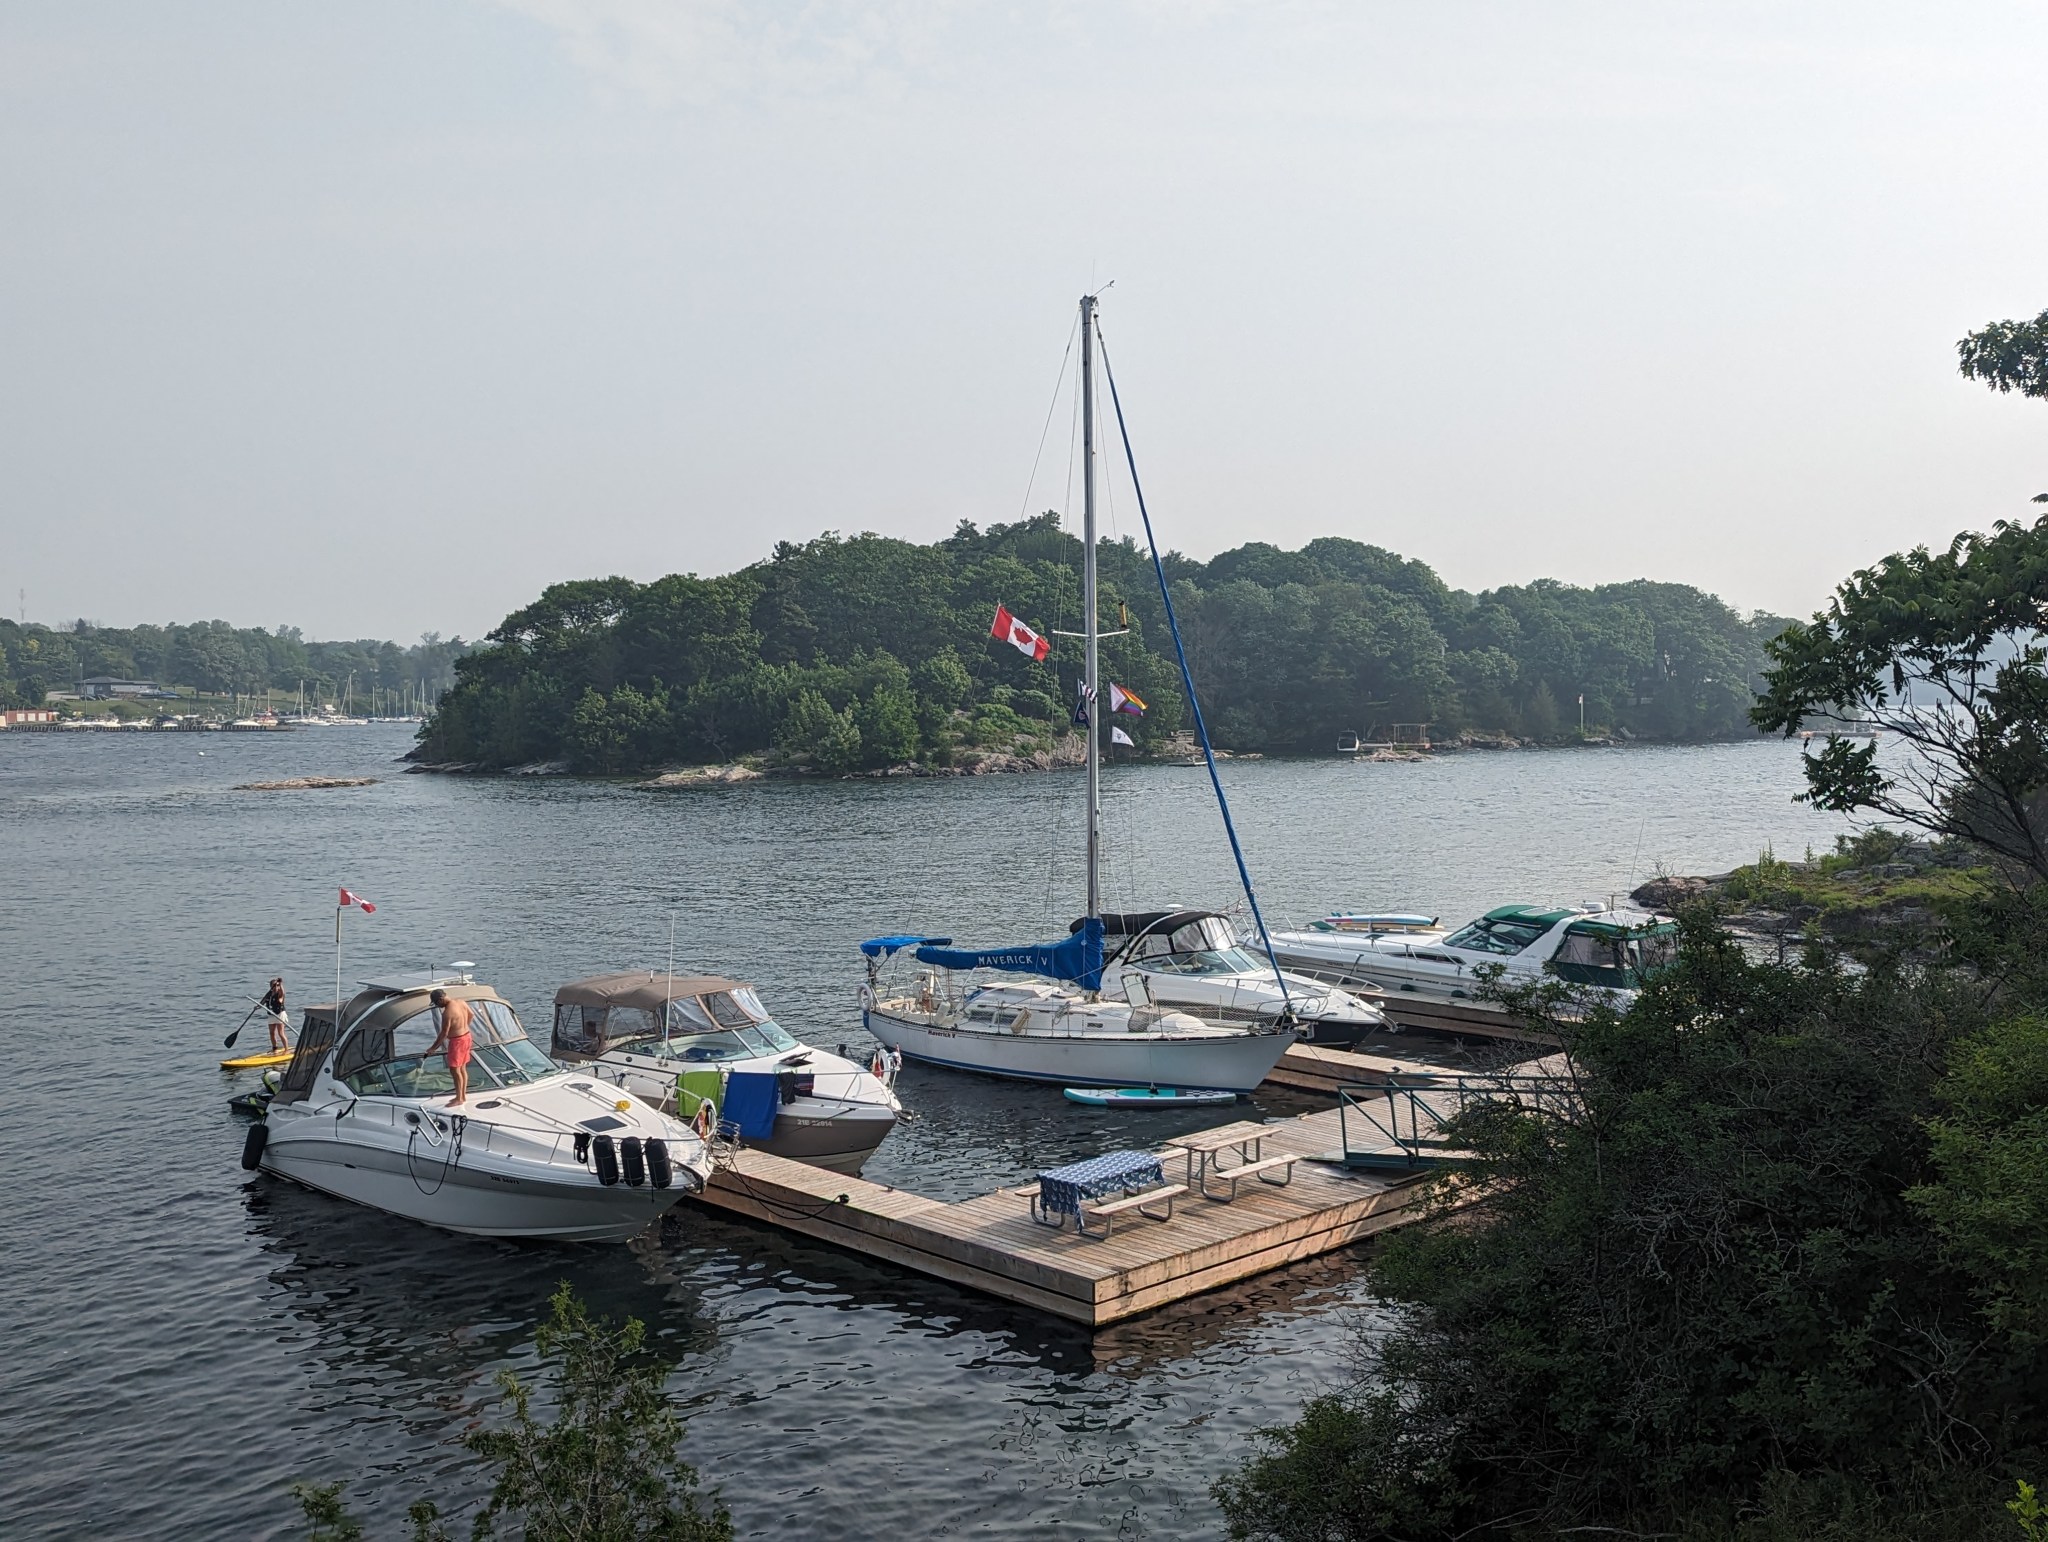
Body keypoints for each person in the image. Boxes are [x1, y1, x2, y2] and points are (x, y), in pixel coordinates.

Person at [426, 988, 474, 1106]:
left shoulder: (447, 1013)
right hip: (467, 1036)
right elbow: (471, 1014)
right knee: (462, 1068)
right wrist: (463, 1026)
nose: (438, 1006)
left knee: (454, 1070)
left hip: (457, 1042)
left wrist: (433, 1048)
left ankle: (459, 1098)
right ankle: (462, 1096)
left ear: (441, 999)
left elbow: (444, 1033)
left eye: (437, 1003)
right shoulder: (461, 1002)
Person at [261, 977, 290, 1053]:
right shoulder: (269, 994)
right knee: (272, 1032)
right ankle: (275, 1048)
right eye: (274, 986)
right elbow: (263, 1001)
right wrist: (257, 1006)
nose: (275, 987)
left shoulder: (280, 994)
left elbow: (282, 993)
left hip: (279, 1014)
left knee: (280, 1033)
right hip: (271, 1015)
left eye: (277, 986)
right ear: (271, 986)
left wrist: (280, 984)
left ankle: (286, 1050)